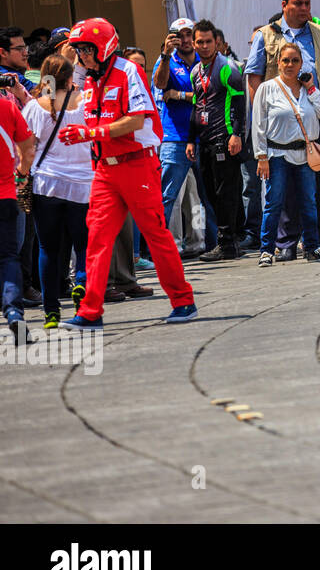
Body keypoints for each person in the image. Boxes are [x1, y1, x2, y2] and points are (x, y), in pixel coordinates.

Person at [58, 18, 197, 329]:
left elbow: (136, 121)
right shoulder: (89, 78)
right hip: (105, 171)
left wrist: (90, 134)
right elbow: (61, 100)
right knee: (96, 239)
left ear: (103, 47)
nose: (83, 55)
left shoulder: (128, 71)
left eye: (86, 49)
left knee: (156, 234)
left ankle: (183, 300)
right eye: (79, 50)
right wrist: (69, 61)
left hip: (137, 165)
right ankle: (90, 311)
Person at [246, 0, 320, 259]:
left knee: (316, 182)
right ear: (284, 5)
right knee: (281, 189)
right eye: (299, 3)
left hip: (317, 119)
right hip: (279, 123)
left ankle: (315, 243)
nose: (305, 8)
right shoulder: (265, 36)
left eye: (307, 3)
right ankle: (286, 244)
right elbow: (254, 78)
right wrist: (261, 119)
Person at [22, 53, 91, 330]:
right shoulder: (85, 103)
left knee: (48, 249)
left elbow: (27, 148)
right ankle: (83, 293)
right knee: (84, 247)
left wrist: (21, 175)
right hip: (83, 184)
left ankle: (51, 311)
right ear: (70, 76)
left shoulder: (35, 107)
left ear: (45, 75)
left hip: (46, 184)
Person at [250, 42, 320, 266]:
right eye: (285, 60)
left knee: (309, 202)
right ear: (278, 62)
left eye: (294, 61)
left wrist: (312, 88)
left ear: (301, 64)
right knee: (274, 203)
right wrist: (261, 156)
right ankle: (266, 250)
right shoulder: (267, 88)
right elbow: (258, 125)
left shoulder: (308, 89)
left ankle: (312, 246)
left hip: (304, 155)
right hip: (277, 154)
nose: (289, 65)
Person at [151, 17, 217, 256]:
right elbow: (159, 85)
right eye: (180, 36)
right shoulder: (166, 60)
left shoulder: (207, 60)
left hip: (205, 135)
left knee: (208, 195)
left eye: (189, 35)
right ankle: (157, 250)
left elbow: (209, 95)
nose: (186, 40)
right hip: (174, 137)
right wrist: (166, 56)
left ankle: (214, 244)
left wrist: (178, 94)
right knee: (166, 196)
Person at [189, 20, 246, 260]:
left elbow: (241, 103)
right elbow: (196, 105)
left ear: (217, 42)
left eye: (208, 41)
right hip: (204, 141)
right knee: (211, 194)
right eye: (199, 42)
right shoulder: (195, 72)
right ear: (193, 43)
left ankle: (228, 243)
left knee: (226, 193)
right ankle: (234, 237)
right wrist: (191, 140)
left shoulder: (227, 67)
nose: (204, 46)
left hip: (225, 139)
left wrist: (237, 135)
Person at [1, 90, 34, 342]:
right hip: (5, 196)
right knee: (9, 256)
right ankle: (13, 311)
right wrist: (22, 172)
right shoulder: (7, 107)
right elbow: (27, 146)